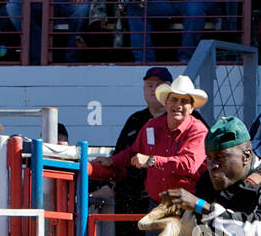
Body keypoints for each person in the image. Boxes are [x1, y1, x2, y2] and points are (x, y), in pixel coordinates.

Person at [106, 67, 174, 236]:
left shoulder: (190, 121)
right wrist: (112, 164)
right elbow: (124, 155)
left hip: (167, 201)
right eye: (148, 84)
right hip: (132, 199)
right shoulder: (136, 120)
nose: (152, 89)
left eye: (158, 84)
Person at [89, 73, 210, 204]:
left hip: (187, 204)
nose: (178, 105)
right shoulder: (151, 126)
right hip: (158, 201)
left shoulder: (198, 130)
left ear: (191, 108)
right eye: (174, 99)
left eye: (184, 101)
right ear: (166, 103)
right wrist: (112, 160)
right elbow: (134, 151)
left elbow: (189, 164)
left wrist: (151, 160)